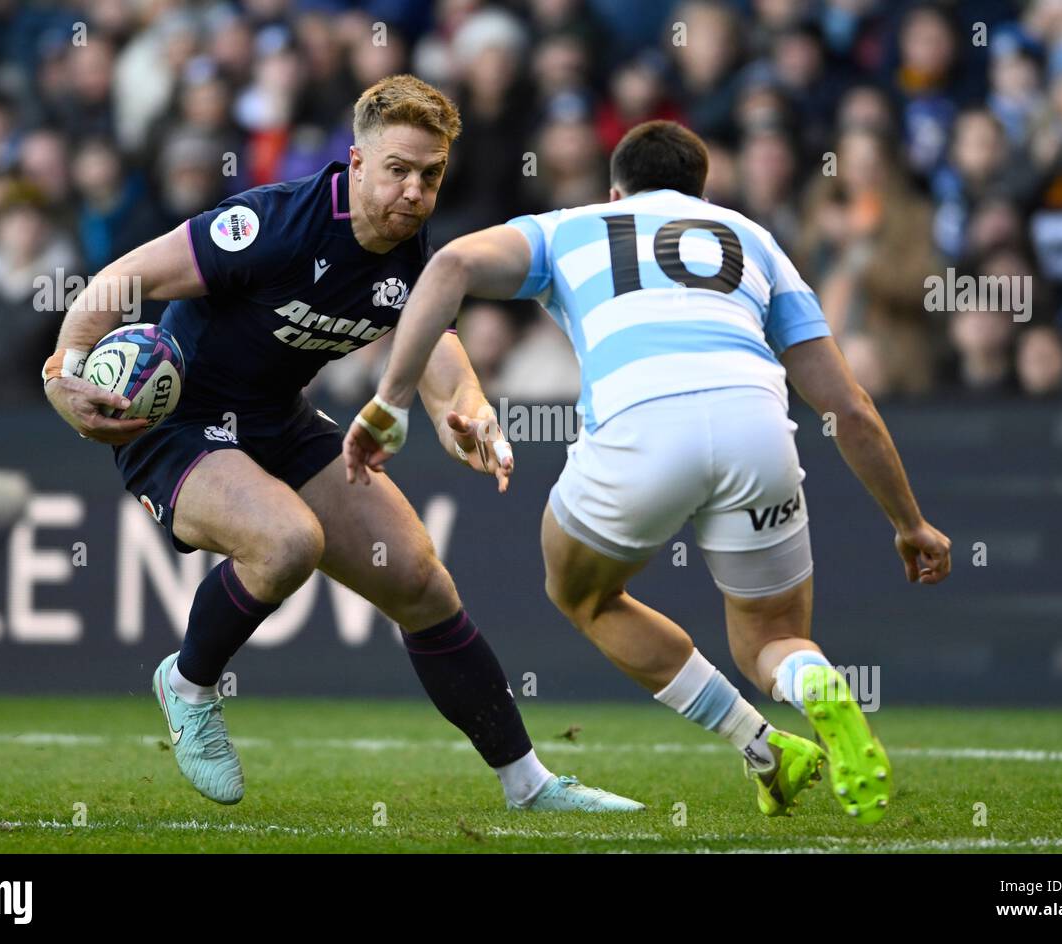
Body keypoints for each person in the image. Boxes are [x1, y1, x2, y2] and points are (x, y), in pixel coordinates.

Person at [42, 74, 640, 813]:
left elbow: (438, 355)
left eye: (430, 175)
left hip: (277, 418)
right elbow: (126, 276)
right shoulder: (272, 224)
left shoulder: (414, 257)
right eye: (397, 170)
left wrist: (473, 412)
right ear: (356, 164)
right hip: (176, 421)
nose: (415, 192)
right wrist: (64, 368)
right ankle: (189, 684)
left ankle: (531, 786)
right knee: (286, 541)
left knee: (421, 583)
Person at [347, 120, 953, 823]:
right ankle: (809, 680)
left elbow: (448, 264)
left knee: (584, 595)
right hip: (757, 424)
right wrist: (909, 522)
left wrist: (390, 402)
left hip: (641, 423)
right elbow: (849, 406)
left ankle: (757, 743)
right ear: (704, 192)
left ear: (615, 191)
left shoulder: (574, 225)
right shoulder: (752, 238)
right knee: (772, 638)